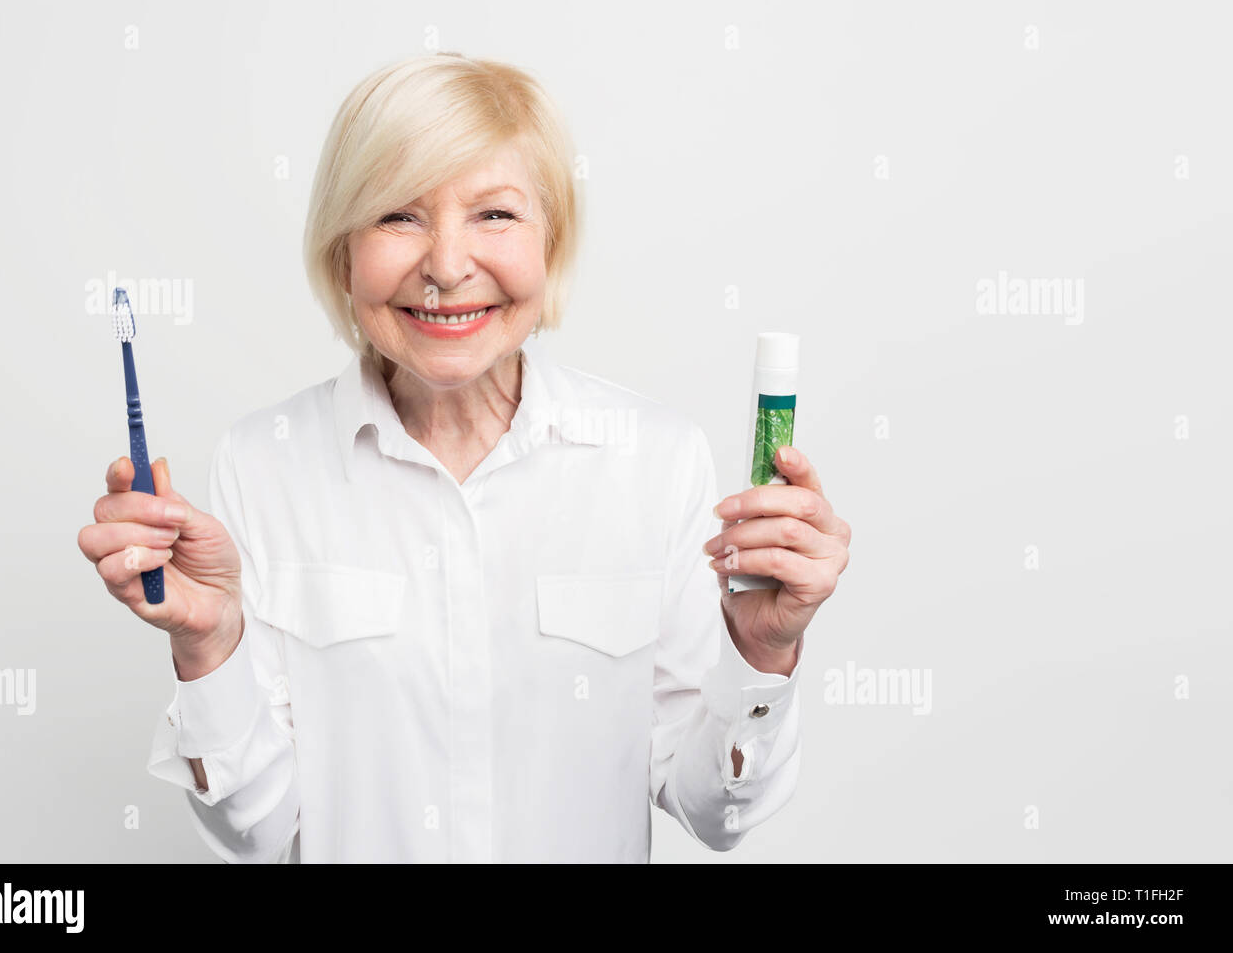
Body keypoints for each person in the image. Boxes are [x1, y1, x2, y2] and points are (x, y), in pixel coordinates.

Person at [76, 52, 851, 863]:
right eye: (398, 216)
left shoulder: (655, 461)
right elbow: (256, 834)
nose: (447, 266)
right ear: (343, 253)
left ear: (551, 246)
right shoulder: (262, 465)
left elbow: (714, 815)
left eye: (495, 215)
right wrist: (209, 646)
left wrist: (760, 653)